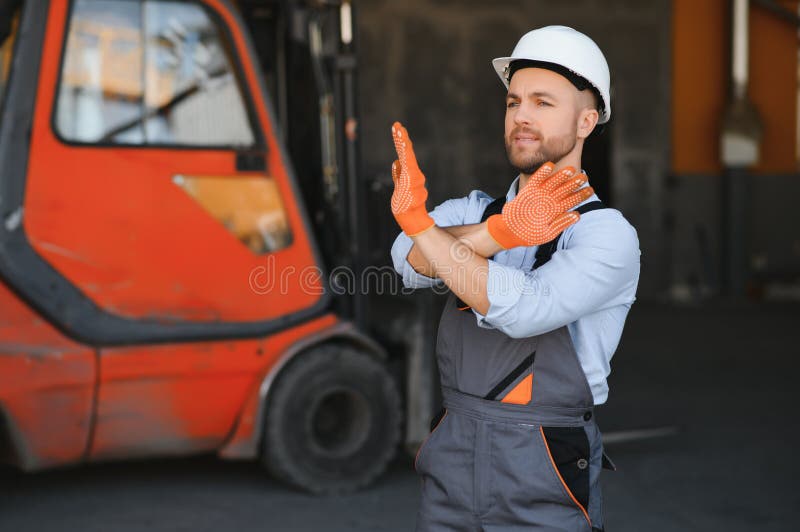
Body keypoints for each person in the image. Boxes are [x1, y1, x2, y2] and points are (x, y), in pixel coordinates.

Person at [389, 26, 641, 532]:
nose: (521, 116)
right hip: (452, 459)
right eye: (513, 101)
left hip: (542, 462)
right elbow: (407, 263)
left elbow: (524, 311)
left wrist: (427, 229)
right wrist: (497, 232)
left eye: (543, 102)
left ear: (586, 120)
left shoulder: (607, 236)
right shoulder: (476, 209)